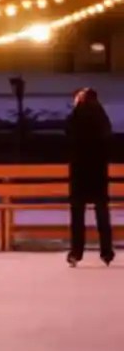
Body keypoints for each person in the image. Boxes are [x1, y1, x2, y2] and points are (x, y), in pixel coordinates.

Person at [66, 88, 115, 267]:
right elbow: (108, 142)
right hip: (98, 172)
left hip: (80, 172)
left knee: (77, 214)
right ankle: (106, 252)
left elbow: (68, 138)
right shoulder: (102, 117)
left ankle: (76, 252)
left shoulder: (76, 116)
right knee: (102, 212)